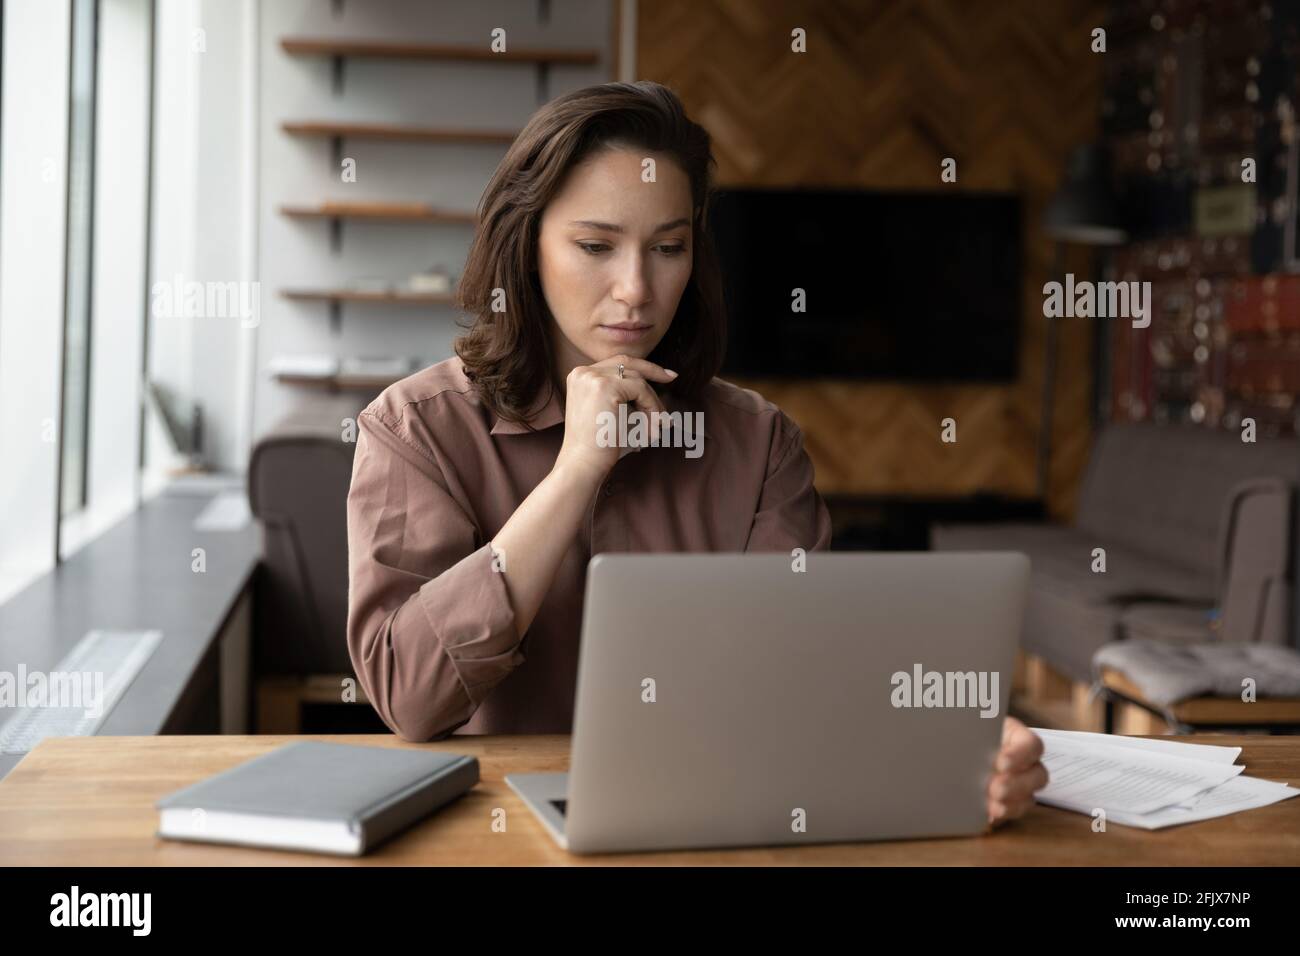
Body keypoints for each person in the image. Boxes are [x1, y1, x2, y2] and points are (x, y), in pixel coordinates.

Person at [345, 80, 1048, 828]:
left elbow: (805, 681)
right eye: (595, 246)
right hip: (492, 838)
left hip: (713, 827)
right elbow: (410, 698)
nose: (637, 289)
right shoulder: (414, 427)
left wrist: (944, 752)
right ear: (527, 245)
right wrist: (576, 470)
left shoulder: (759, 442)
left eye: (669, 248)